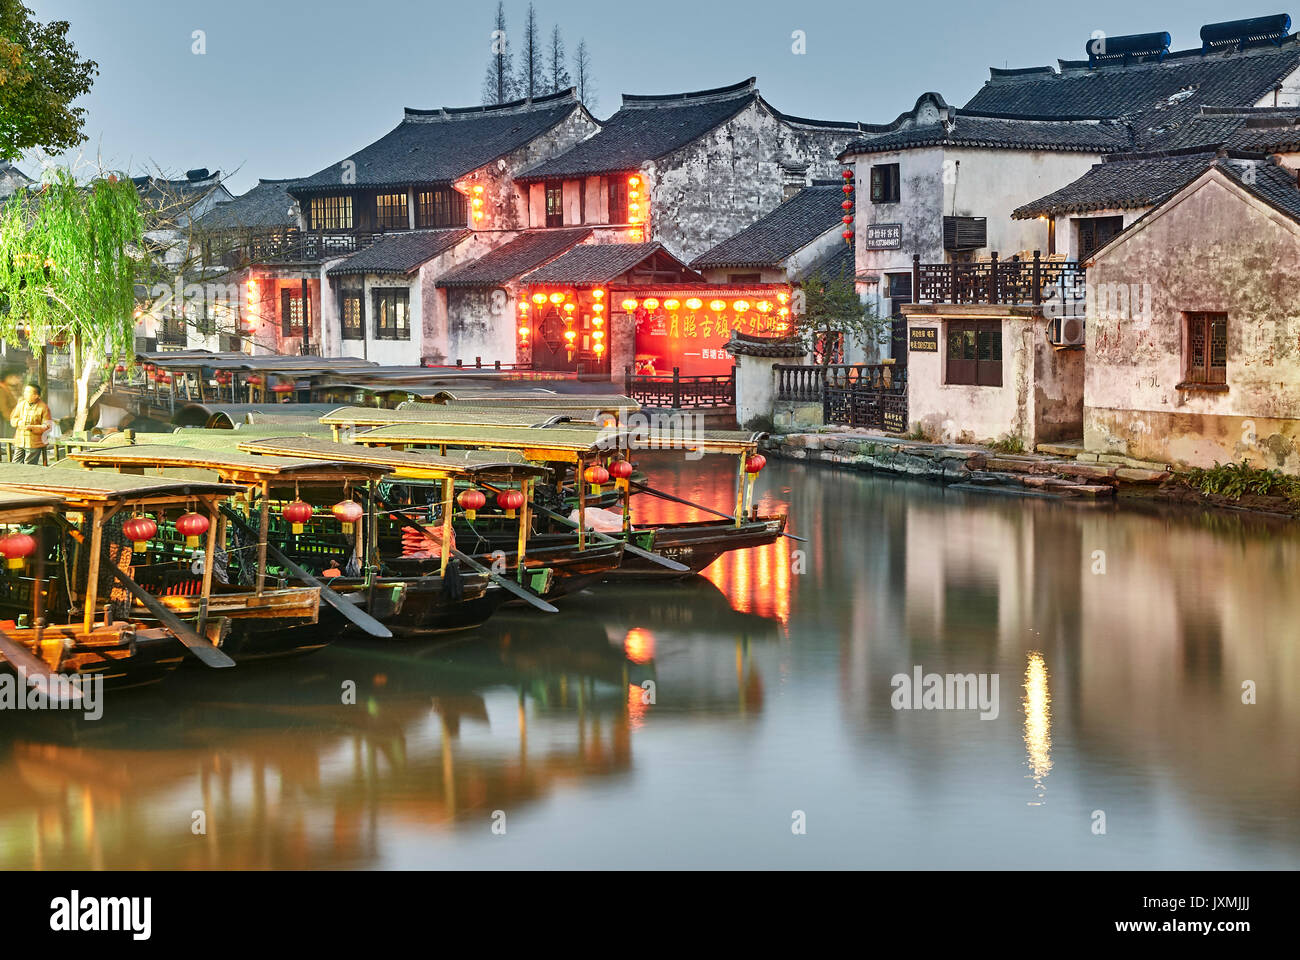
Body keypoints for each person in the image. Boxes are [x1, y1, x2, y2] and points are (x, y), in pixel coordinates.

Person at [9, 382, 52, 464]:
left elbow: (47, 427)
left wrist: (31, 427)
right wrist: (18, 422)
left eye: (28, 392)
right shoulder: (21, 405)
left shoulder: (44, 407)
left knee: (29, 466)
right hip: (19, 441)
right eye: (25, 391)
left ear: (36, 396)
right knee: (15, 464)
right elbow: (13, 419)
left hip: (34, 443)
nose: (25, 394)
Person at [0, 369, 22, 440]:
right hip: (8, 420)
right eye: (12, 377)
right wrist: (12, 419)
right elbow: (4, 408)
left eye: (17, 377)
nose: (15, 379)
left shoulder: (17, 387)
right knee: (9, 438)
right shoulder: (2, 389)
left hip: (18, 419)